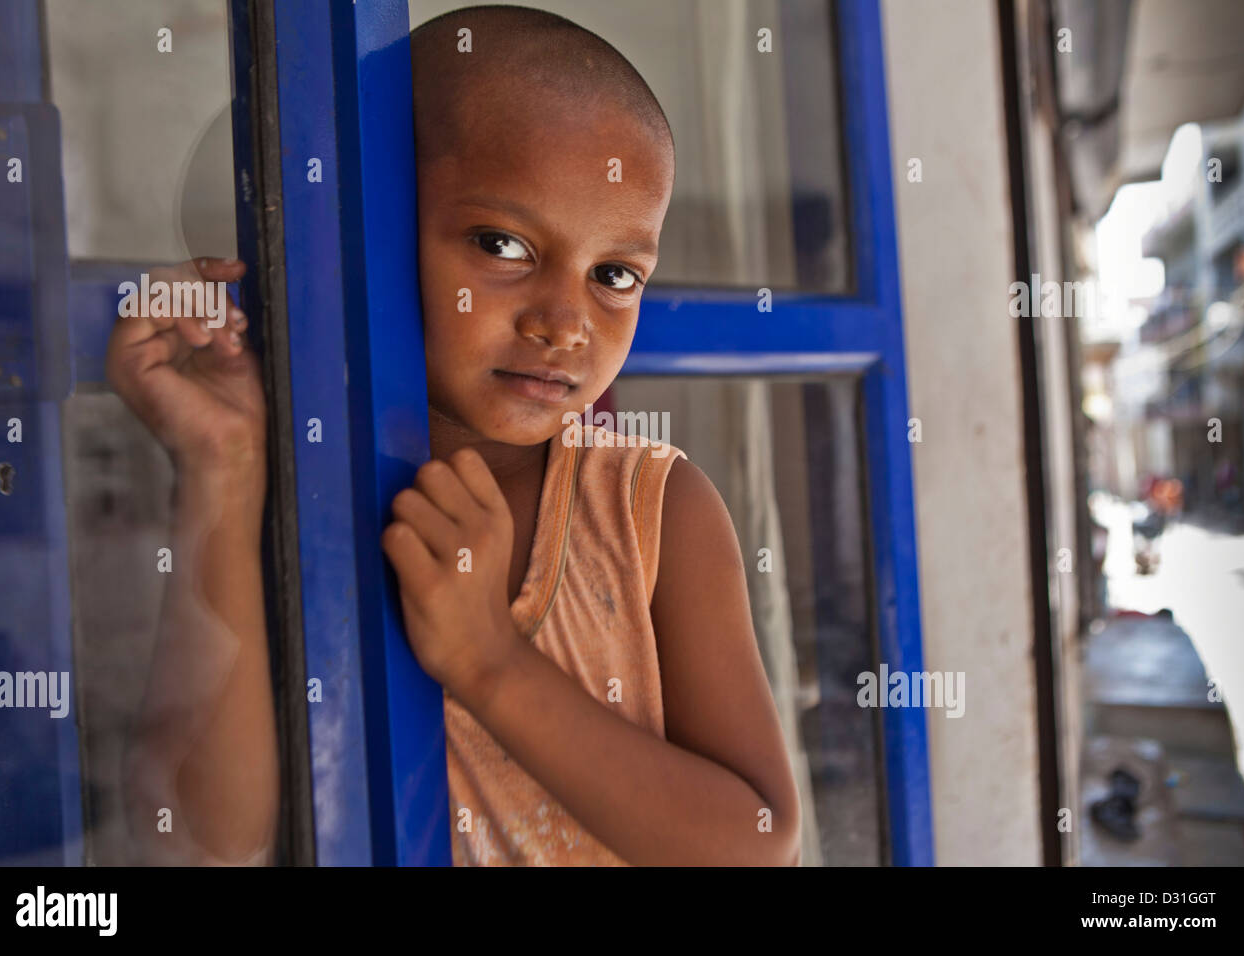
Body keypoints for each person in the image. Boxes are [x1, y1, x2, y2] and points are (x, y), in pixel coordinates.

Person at [107, 4, 801, 867]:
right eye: (502, 245)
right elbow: (203, 843)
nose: (563, 323)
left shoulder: (650, 513)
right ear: (370, 231)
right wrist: (222, 465)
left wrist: (491, 664)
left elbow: (759, 842)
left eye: (615, 274)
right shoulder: (289, 493)